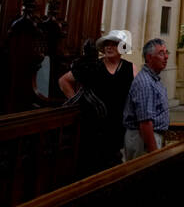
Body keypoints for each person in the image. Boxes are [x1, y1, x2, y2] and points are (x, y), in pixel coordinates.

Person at [59, 30, 134, 171]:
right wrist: (76, 103)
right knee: (90, 166)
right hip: (92, 127)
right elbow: (64, 81)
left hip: (117, 128)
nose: (109, 47)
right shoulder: (92, 66)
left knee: (112, 167)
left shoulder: (129, 68)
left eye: (114, 44)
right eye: (107, 44)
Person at [123, 38, 170, 159]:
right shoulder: (145, 82)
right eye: (161, 53)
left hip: (147, 138)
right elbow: (145, 122)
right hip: (142, 140)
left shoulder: (152, 79)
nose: (166, 57)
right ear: (149, 57)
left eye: (166, 52)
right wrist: (154, 154)